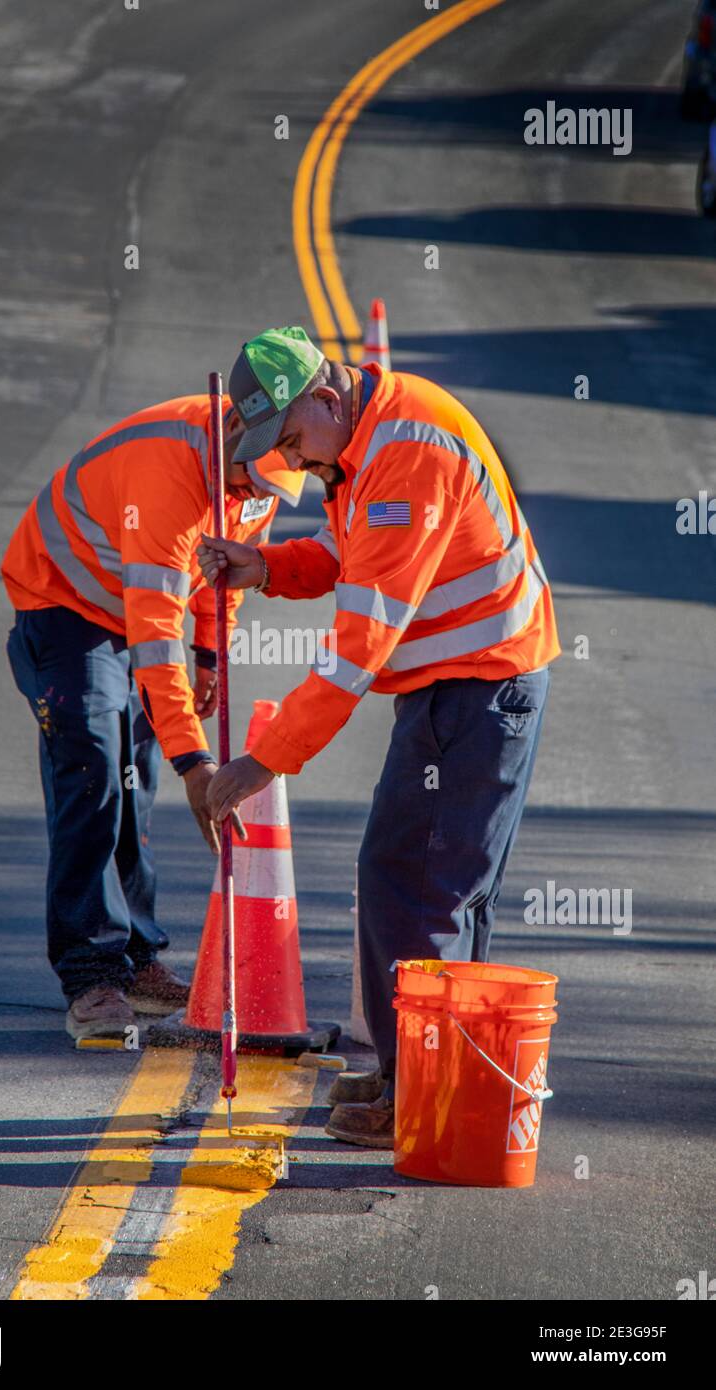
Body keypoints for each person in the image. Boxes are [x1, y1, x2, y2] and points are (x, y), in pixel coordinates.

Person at [197, 326, 560, 1147]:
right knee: (427, 884)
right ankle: (422, 1073)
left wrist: (262, 760)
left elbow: (361, 646)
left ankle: (423, 1099)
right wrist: (267, 569)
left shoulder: (406, 454)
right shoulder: (359, 441)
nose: (294, 463)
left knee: (419, 887)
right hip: (461, 686)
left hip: (477, 689)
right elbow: (341, 549)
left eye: (291, 440)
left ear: (326, 398)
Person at [1, 391, 303, 1042]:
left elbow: (221, 574)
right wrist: (196, 763)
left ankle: (137, 959)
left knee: (135, 777)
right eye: (249, 475)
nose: (256, 491)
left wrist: (210, 656)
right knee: (93, 763)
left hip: (131, 605)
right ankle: (91, 976)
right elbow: (154, 628)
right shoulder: (169, 475)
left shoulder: (260, 469)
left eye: (269, 482)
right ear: (234, 434)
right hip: (65, 602)